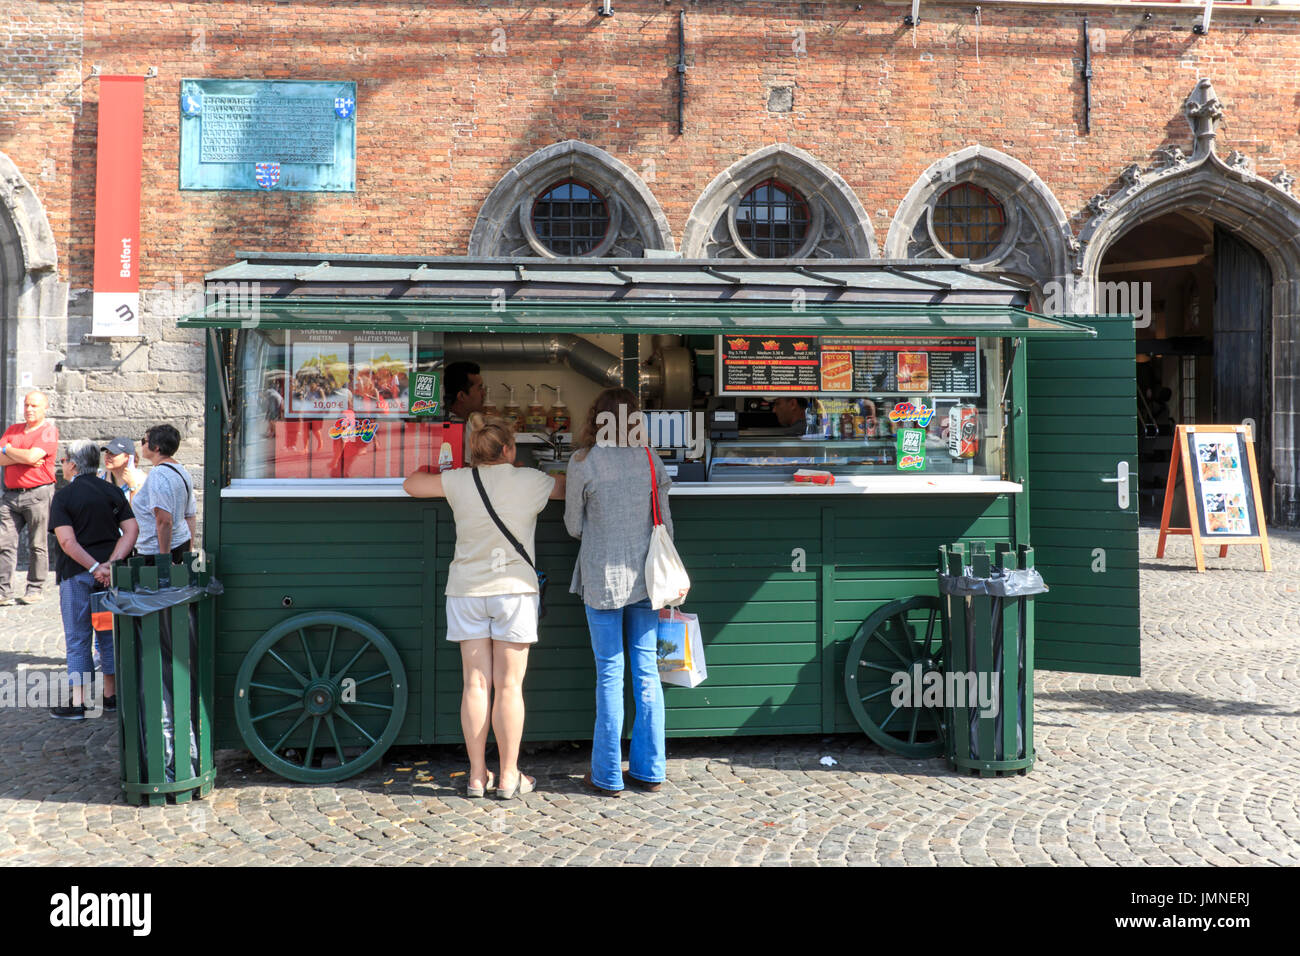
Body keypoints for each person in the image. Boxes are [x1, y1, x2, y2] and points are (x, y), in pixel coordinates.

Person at [403, 418, 564, 799]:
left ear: (474, 452)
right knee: (510, 686)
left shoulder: (459, 480)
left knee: (474, 684)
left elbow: (411, 484)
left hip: (467, 592)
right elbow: (570, 488)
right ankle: (509, 776)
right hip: (515, 592)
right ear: (510, 449)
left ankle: (477, 776)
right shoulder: (530, 481)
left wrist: (432, 466)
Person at [564, 387, 673, 797]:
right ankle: (650, 771)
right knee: (647, 673)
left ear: (597, 419)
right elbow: (666, 522)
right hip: (647, 579)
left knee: (609, 674)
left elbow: (573, 526)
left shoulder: (584, 462)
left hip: (603, 579)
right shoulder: (649, 458)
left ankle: (608, 776)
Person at [48, 440, 138, 719]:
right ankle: (111, 696)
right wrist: (110, 565)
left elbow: (67, 541)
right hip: (109, 579)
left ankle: (79, 701)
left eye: (63, 460)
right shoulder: (111, 491)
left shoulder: (64, 497)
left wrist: (94, 567)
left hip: (76, 575)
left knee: (78, 637)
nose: (62, 465)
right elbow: (132, 530)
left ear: (73, 463)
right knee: (108, 634)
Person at [0, 390, 59, 606]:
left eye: (34, 405)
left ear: (45, 407)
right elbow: (1, 458)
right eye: (26, 405)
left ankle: (34, 588)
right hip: (10, 495)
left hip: (37, 493)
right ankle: (3, 591)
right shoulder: (13, 429)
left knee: (37, 544)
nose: (29, 409)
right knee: (3, 543)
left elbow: (35, 456)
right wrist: (14, 451)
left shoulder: (48, 431)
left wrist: (10, 451)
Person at [132, 424, 198, 568]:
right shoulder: (182, 471)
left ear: (156, 447)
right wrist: (189, 552)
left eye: (144, 441)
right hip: (181, 543)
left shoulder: (158, 474)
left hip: (155, 552)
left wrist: (164, 560)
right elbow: (190, 515)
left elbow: (164, 520)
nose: (141, 445)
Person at [98, 437, 146, 502]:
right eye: (107, 452)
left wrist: (132, 487)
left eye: (112, 453)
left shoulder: (141, 480)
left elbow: (138, 510)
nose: (107, 456)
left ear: (127, 457)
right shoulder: (101, 476)